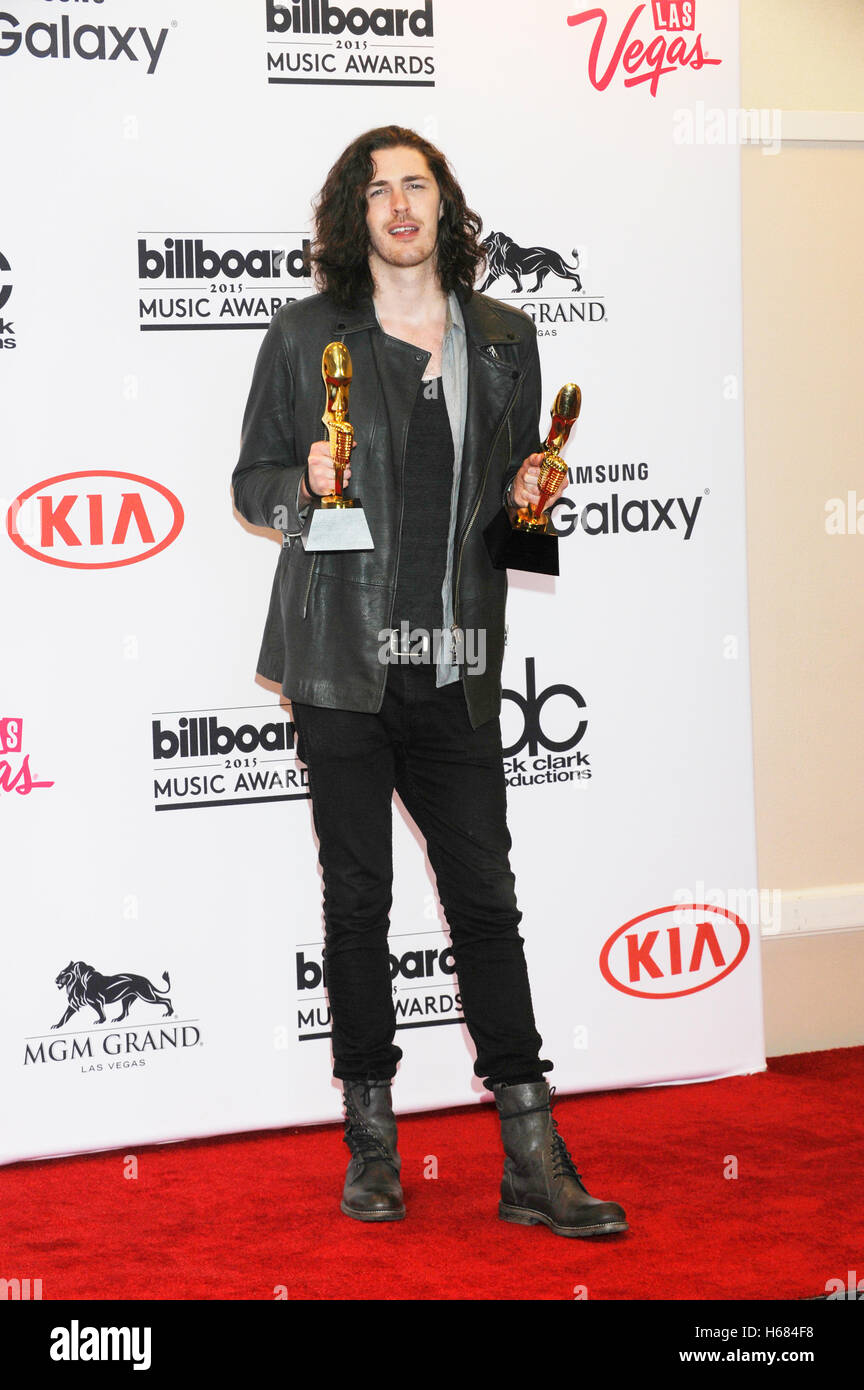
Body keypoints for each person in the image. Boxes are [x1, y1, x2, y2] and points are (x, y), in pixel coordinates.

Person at [232, 125, 627, 1239]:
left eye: (417, 186)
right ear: (353, 217)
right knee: (359, 907)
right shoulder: (308, 335)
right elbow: (248, 482)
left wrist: (535, 503)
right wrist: (303, 489)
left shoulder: (506, 339)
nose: (399, 205)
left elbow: (506, 527)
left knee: (487, 903)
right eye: (377, 190)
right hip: (341, 666)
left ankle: (532, 1155)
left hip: (453, 668)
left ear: (446, 207)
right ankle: (371, 1147)